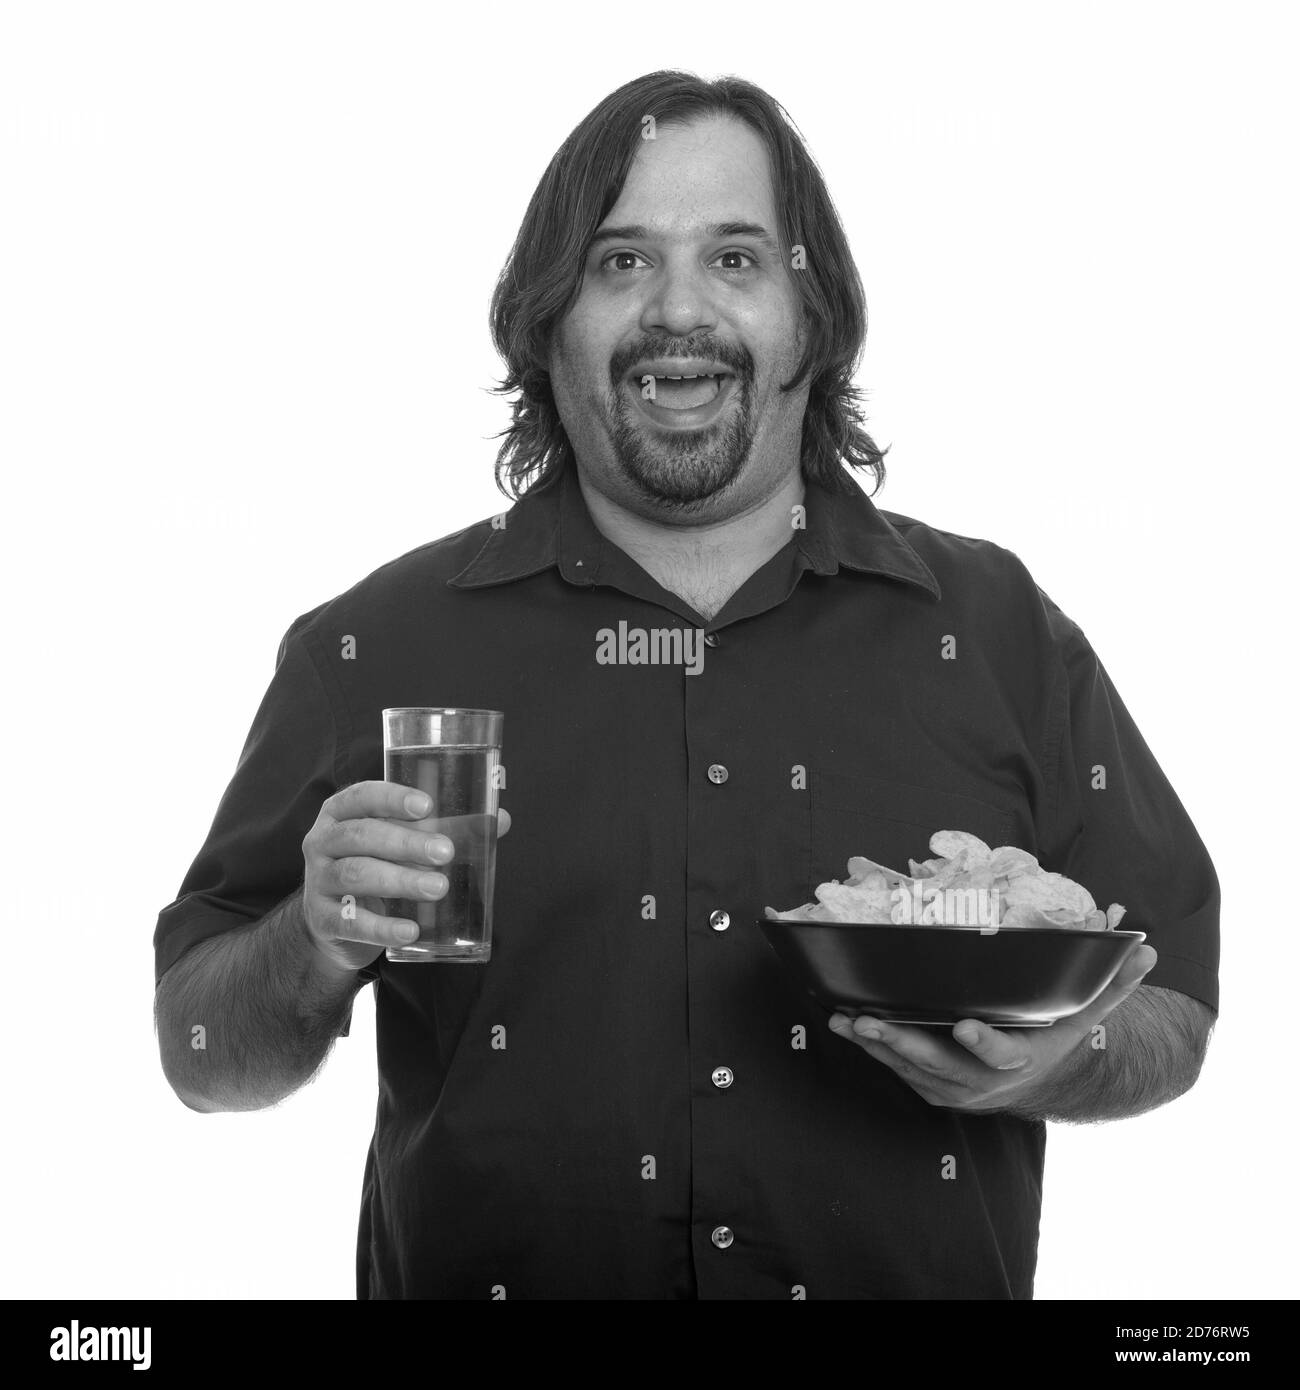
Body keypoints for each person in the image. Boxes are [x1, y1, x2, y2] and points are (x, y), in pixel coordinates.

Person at [153, 70, 1219, 1300]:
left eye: (734, 259)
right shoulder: (379, 646)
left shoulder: (995, 631)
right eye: (618, 263)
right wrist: (310, 942)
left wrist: (1050, 1066)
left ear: (811, 319)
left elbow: (1172, 1008)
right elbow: (200, 1055)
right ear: (545, 321)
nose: (676, 312)